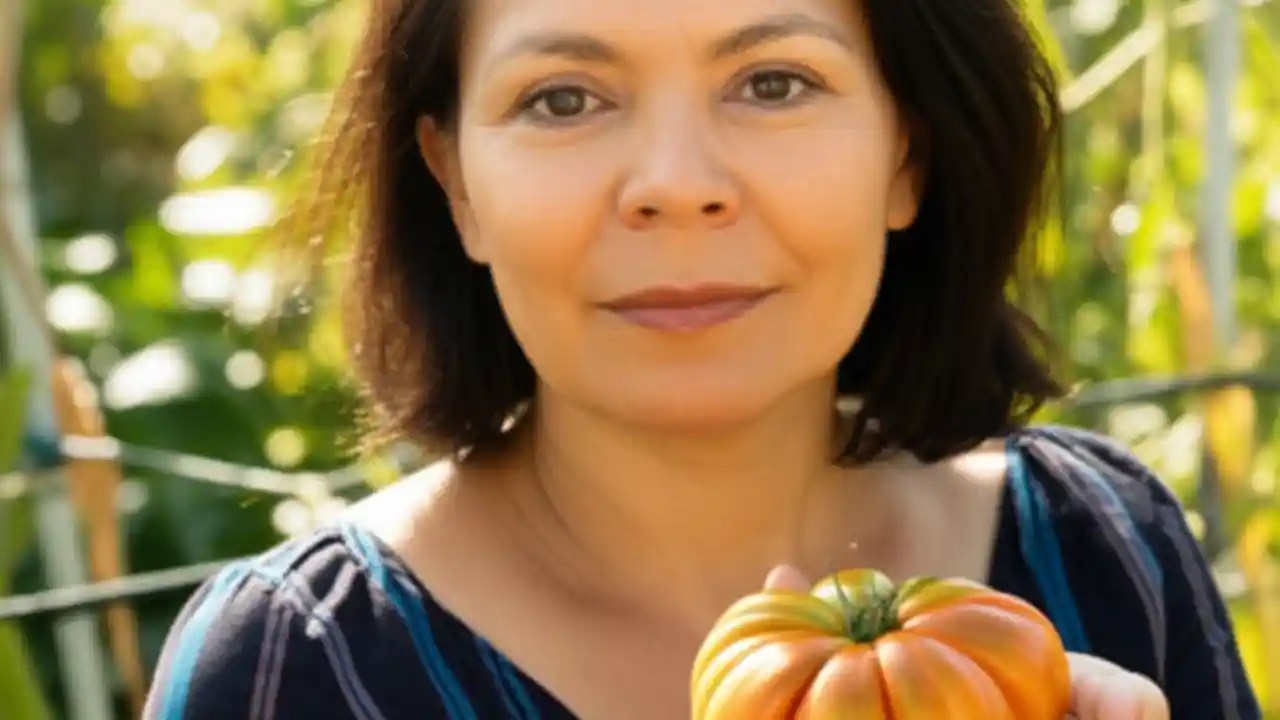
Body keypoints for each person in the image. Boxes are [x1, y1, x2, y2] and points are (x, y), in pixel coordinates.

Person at [143, 0, 1260, 716]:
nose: (675, 182)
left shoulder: (1104, 551)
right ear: (455, 185)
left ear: (905, 151)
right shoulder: (290, 671)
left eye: (772, 81)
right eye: (563, 98)